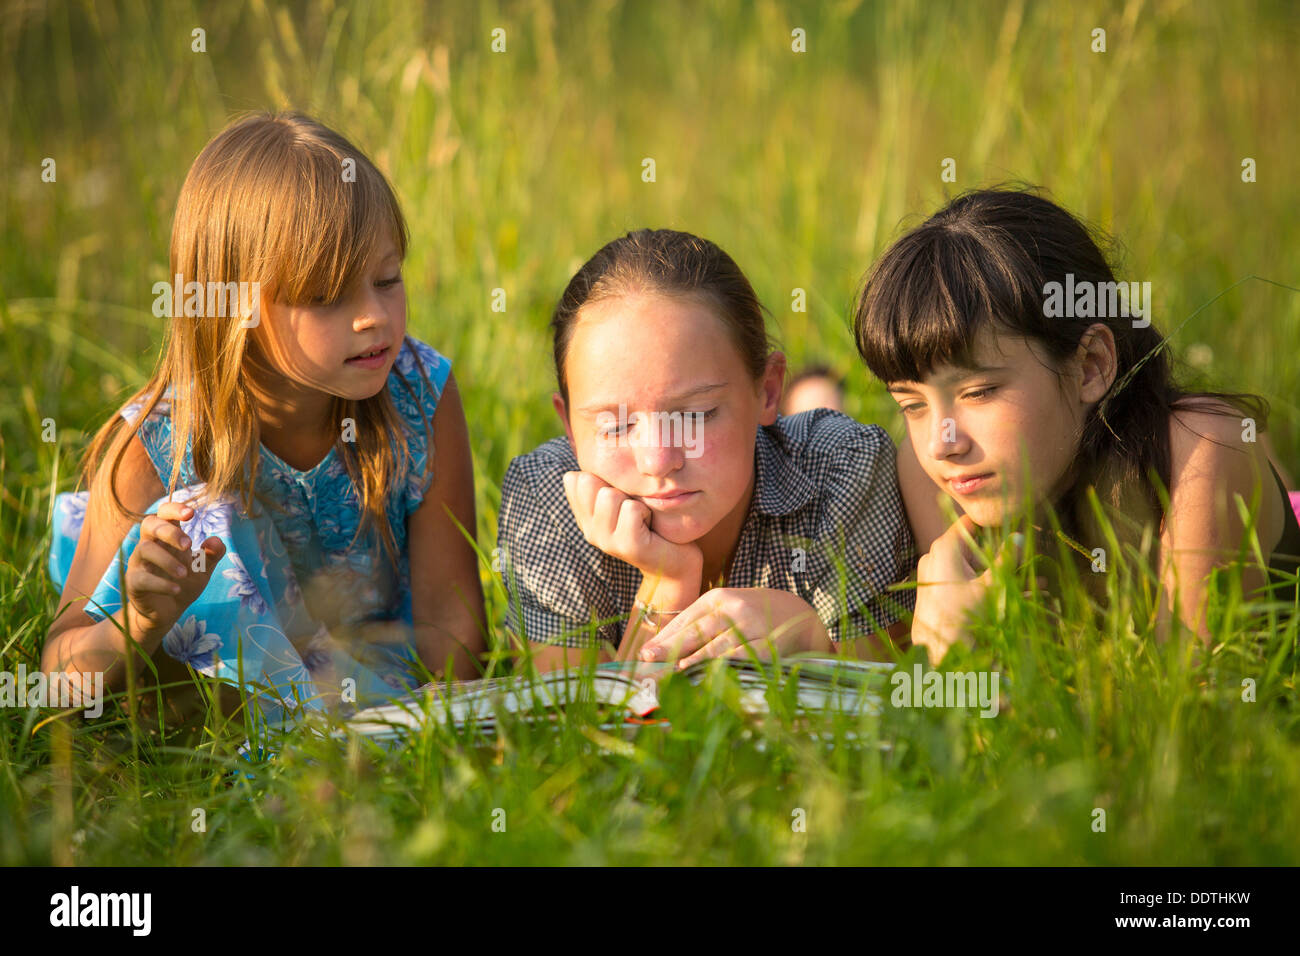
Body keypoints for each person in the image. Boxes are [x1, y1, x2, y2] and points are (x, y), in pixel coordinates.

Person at [43, 112, 486, 728]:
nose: (375, 317)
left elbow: (451, 623)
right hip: (218, 688)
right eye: (328, 295)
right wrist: (135, 624)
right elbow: (58, 678)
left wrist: (443, 729)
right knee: (209, 518)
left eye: (387, 280)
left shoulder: (418, 395)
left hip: (375, 669)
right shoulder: (160, 444)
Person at [852, 187, 1300, 663]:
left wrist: (955, 658)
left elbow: (1186, 723)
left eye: (978, 392)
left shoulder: (1201, 454)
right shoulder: (930, 476)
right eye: (912, 404)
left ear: (1090, 365)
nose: (943, 444)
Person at [497, 228, 916, 672]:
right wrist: (666, 581)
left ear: (767, 391)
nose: (658, 460)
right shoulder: (545, 502)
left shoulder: (841, 470)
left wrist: (817, 640)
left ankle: (818, 393)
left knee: (821, 410)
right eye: (615, 425)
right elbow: (580, 729)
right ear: (568, 425)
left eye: (695, 415)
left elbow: (894, 696)